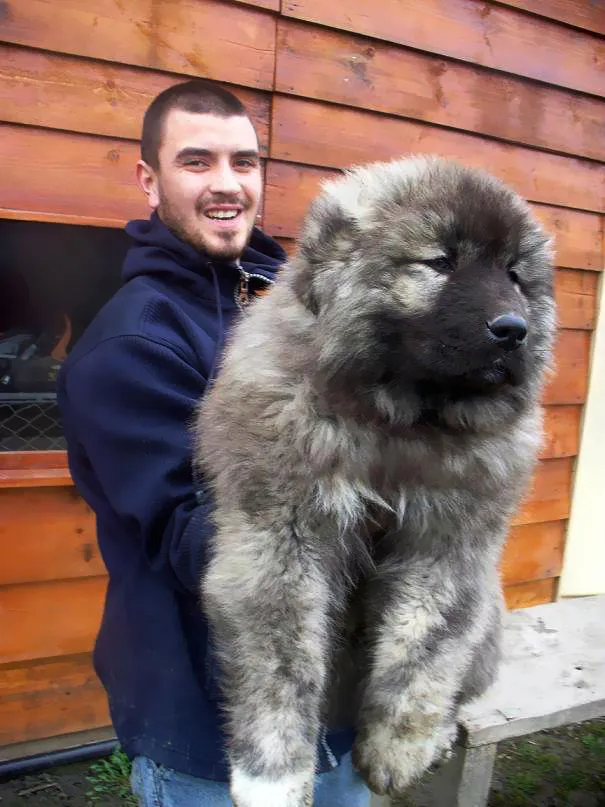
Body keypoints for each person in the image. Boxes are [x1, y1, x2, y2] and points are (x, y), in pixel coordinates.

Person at [57, 79, 369, 806]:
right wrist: (380, 492)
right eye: (196, 161)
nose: (227, 184)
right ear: (150, 180)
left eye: (244, 162)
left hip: (333, 699)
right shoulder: (133, 345)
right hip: (213, 726)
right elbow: (196, 544)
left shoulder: (295, 301)